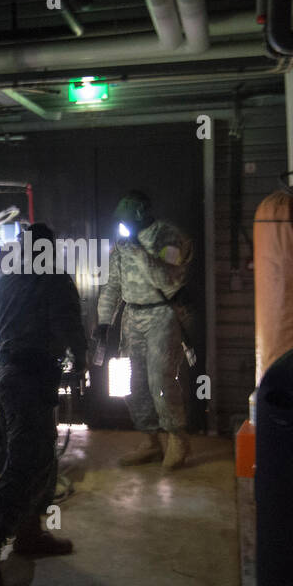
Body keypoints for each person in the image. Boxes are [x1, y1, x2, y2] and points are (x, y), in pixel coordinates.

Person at [0, 223, 87, 586]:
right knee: (25, 461)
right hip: (30, 378)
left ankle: (29, 532)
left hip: (7, 375)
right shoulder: (56, 282)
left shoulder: (5, 282)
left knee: (43, 456)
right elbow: (71, 331)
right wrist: (80, 364)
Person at [94, 190, 193, 470]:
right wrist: (104, 322)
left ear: (140, 212)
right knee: (131, 381)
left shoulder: (168, 237)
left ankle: (177, 437)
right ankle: (150, 439)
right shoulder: (122, 244)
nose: (122, 225)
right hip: (132, 316)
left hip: (162, 313)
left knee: (160, 379)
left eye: (125, 218)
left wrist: (138, 250)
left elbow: (167, 280)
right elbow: (112, 285)